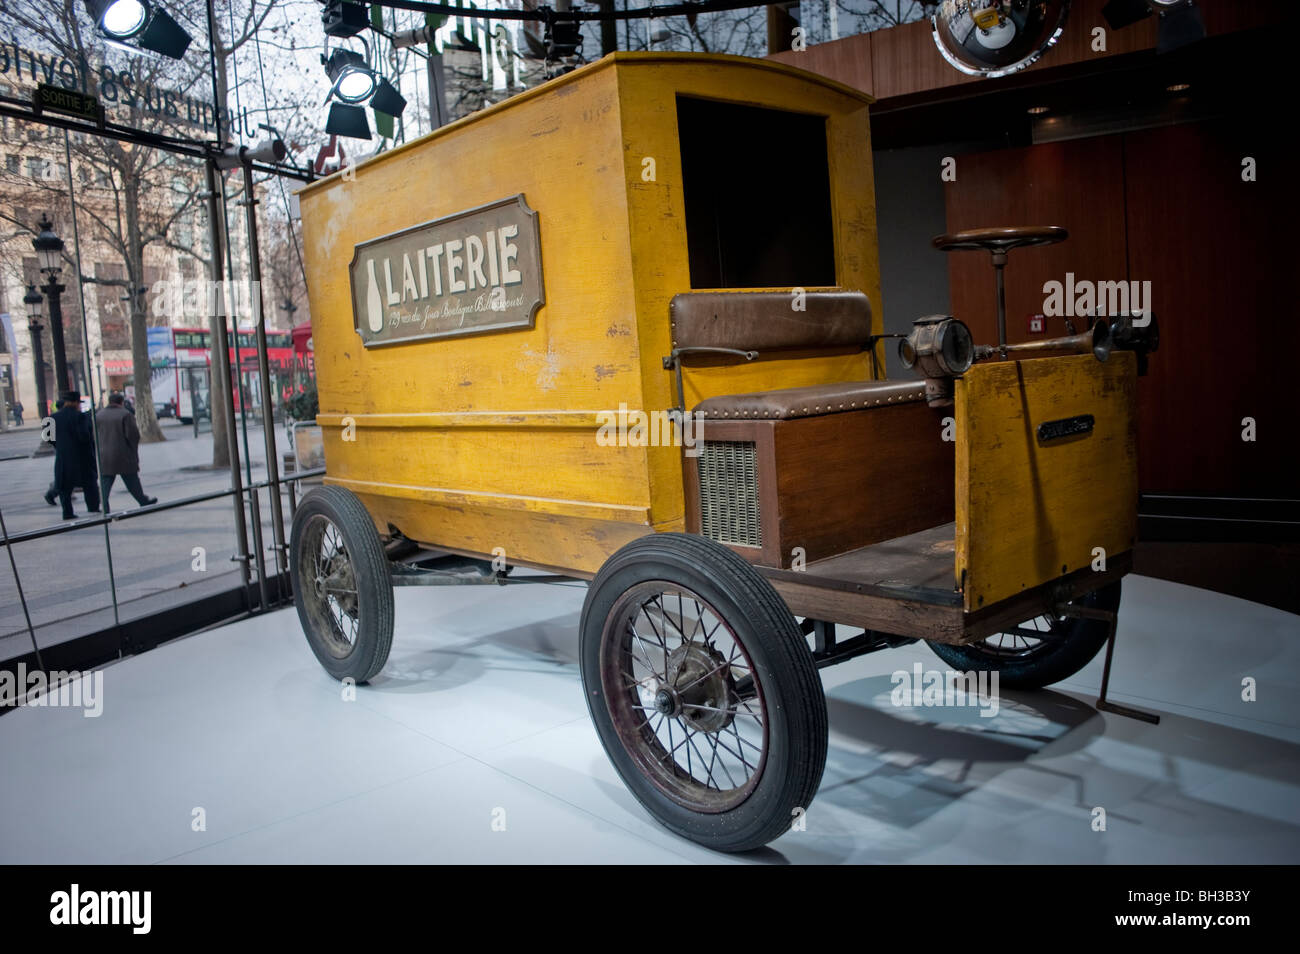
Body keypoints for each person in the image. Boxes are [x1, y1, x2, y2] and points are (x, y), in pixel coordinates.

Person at [96, 392, 157, 512]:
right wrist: (133, 450)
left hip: (105, 454)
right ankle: (142, 500)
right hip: (123, 453)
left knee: (105, 482)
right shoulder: (125, 414)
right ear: (121, 402)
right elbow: (133, 435)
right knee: (132, 480)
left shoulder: (99, 415)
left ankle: (104, 505)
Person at [49, 391, 99, 520]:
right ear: (76, 403)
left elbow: (47, 438)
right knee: (89, 482)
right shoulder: (80, 417)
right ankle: (93, 506)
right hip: (81, 457)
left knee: (64, 485)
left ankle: (67, 512)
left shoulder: (52, 418)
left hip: (63, 457)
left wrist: (60, 446)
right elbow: (85, 437)